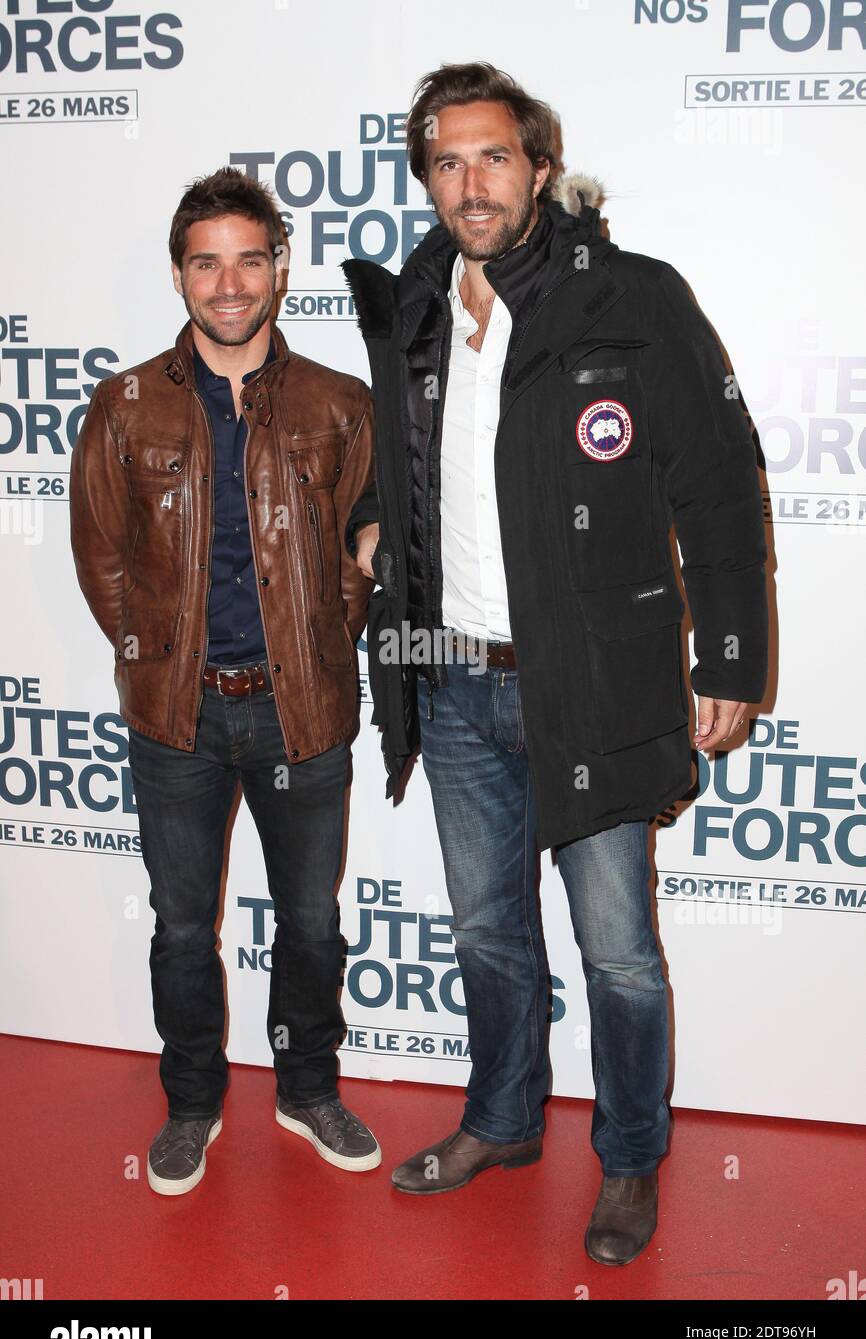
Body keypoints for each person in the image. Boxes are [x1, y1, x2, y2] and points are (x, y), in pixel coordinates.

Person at [342, 63, 768, 1264]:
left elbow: (717, 485)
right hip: (454, 678)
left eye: (489, 156)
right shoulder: (414, 305)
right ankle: (502, 1120)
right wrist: (378, 520)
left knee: (618, 948)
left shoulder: (625, 297)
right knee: (485, 933)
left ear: (536, 164)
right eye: (443, 161)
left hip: (593, 682)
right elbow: (405, 460)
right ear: (423, 176)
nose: (467, 183)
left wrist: (728, 654)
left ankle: (627, 1157)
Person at [70, 167, 380, 1195]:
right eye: (206, 261)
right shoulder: (121, 409)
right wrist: (156, 657)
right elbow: (102, 558)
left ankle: (306, 1086)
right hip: (178, 719)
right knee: (177, 924)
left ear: (279, 270)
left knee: (310, 923)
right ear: (178, 276)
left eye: (249, 257)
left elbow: (360, 551)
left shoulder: (340, 404)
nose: (229, 281)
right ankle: (193, 1102)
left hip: (303, 711)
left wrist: (322, 644)